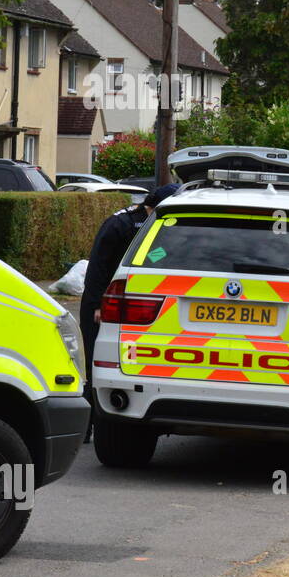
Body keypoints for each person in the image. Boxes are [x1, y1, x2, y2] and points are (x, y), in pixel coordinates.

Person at [80, 183, 180, 440]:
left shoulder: (156, 229)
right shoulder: (120, 225)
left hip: (125, 305)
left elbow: (155, 256)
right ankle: (86, 426)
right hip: (101, 304)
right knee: (97, 363)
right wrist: (98, 304)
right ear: (154, 207)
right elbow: (97, 269)